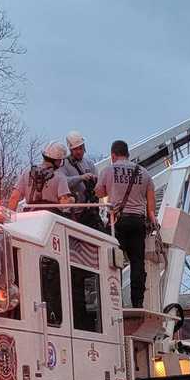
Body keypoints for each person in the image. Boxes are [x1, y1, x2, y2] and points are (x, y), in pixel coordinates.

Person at [96, 140, 157, 308]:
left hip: (117, 222)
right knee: (137, 262)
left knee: (114, 262)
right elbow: (151, 206)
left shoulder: (108, 170)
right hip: (138, 222)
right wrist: (153, 222)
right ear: (128, 154)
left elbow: (99, 192)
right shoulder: (144, 173)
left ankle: (116, 302)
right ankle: (138, 302)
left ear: (113, 155)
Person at [8, 141, 73, 211]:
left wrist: (9, 215)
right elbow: (64, 203)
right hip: (51, 215)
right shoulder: (60, 177)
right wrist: (72, 199)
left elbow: (14, 197)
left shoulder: (27, 172)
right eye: (61, 160)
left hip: (29, 213)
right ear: (57, 160)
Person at [60, 131, 103, 231]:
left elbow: (99, 183)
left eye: (81, 148)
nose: (79, 151)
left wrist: (95, 180)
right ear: (70, 150)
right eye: (75, 149)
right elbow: (62, 182)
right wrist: (80, 178)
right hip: (72, 212)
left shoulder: (89, 163)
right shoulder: (64, 164)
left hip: (89, 209)